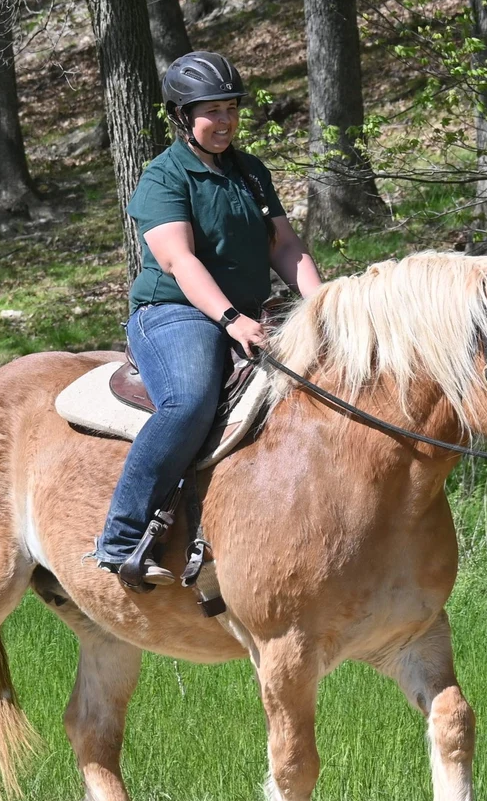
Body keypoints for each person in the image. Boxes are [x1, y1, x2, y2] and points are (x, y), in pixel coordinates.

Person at [94, 51, 324, 591]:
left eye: (230, 109)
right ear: (182, 117)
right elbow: (179, 260)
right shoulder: (164, 175)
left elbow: (284, 244)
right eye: (210, 111)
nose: (223, 121)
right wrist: (231, 320)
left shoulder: (250, 171)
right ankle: (122, 536)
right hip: (175, 312)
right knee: (190, 400)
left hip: (247, 312)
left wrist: (325, 306)